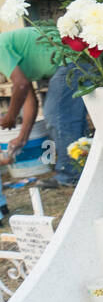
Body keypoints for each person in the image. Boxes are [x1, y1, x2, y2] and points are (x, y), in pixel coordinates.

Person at [0, 25, 86, 187]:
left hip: (72, 60)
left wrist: (10, 116)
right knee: (70, 118)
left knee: (57, 116)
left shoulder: (0, 48)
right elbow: (29, 99)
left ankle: (71, 176)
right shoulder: (7, 50)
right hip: (76, 57)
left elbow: (21, 86)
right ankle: (82, 168)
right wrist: (22, 138)